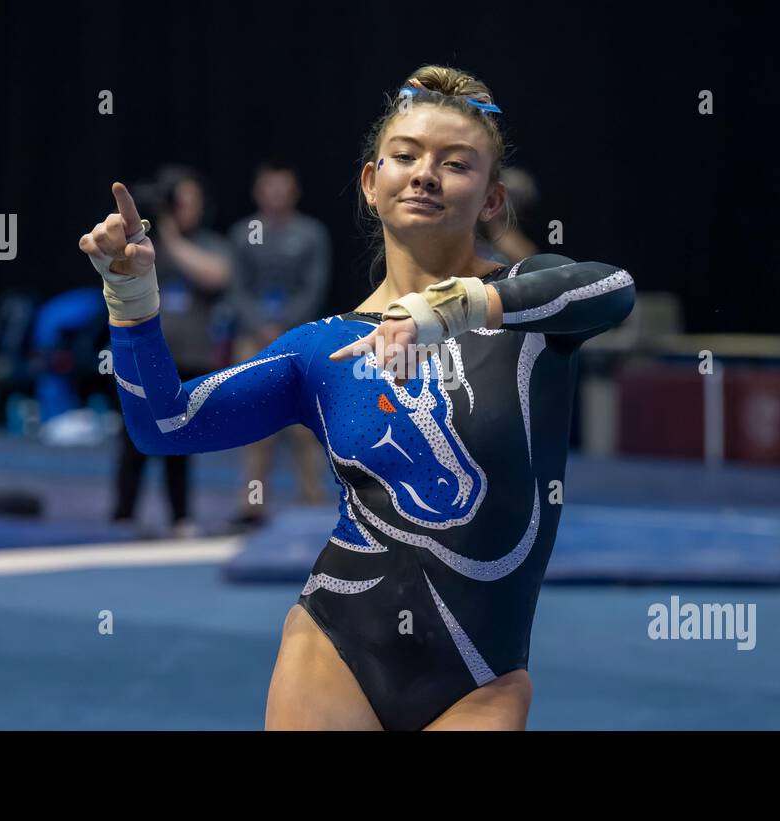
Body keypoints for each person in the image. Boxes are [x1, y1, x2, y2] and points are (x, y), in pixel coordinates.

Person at [80, 65, 635, 730]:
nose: (425, 174)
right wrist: (131, 295)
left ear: (491, 198)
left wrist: (461, 306)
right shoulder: (324, 349)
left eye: (456, 164)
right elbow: (162, 423)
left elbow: (614, 289)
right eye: (405, 157)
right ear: (373, 184)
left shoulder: (527, 302)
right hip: (336, 646)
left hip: (479, 678)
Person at [111, 166, 233, 538]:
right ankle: (123, 515)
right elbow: (117, 275)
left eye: (192, 201)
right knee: (133, 437)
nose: (186, 208)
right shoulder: (144, 246)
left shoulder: (207, 243)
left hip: (190, 356)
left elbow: (218, 276)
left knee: (179, 438)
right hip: (141, 356)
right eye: (180, 202)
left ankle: (181, 517)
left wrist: (172, 238)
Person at [226, 161, 332, 528]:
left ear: (294, 192)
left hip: (301, 340)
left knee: (305, 426)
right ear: (258, 192)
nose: (275, 195)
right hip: (253, 341)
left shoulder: (311, 234)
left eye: (282, 188)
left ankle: (313, 499)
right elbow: (237, 286)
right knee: (256, 425)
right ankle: (251, 506)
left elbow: (314, 286)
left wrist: (285, 325)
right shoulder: (243, 233)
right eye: (269, 188)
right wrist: (260, 324)